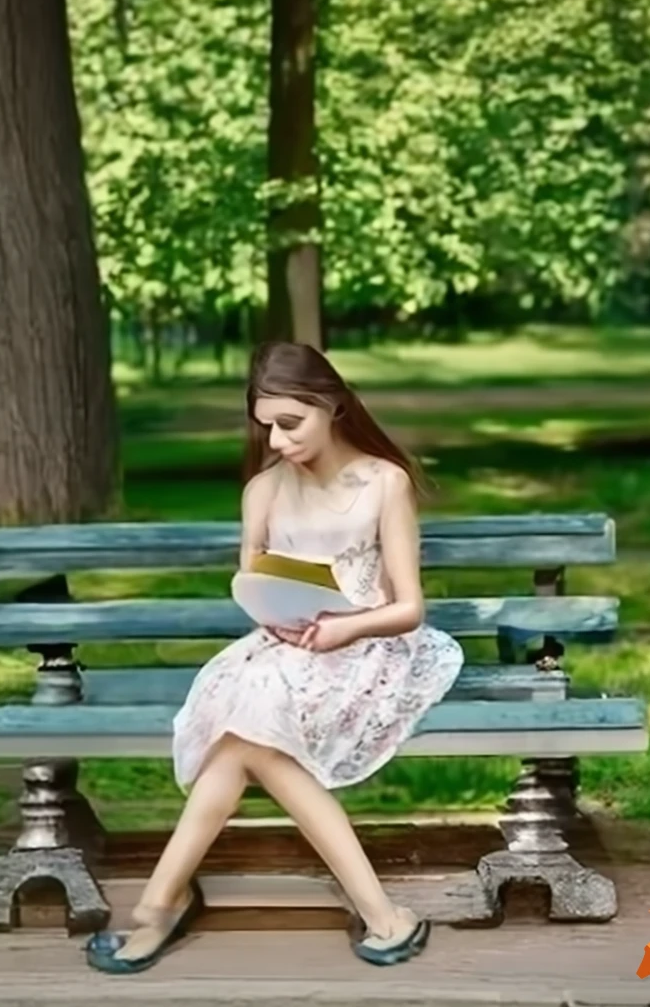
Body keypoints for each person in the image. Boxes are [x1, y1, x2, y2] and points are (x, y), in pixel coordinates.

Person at [87, 341, 464, 974]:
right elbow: (253, 587)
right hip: (288, 650)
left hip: (368, 650)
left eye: (291, 423)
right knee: (248, 736)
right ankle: (382, 915)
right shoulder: (263, 491)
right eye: (266, 427)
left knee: (245, 741)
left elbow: (408, 609)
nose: (278, 440)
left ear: (332, 405)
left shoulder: (383, 482)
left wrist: (346, 628)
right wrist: (279, 617)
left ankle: (159, 907)